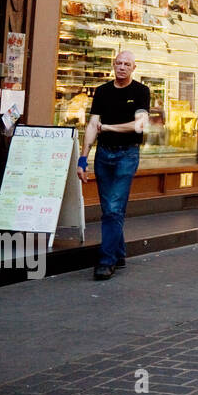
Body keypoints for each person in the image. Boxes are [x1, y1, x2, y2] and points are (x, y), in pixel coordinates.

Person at [78, 51, 151, 280]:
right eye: (118, 63)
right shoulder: (102, 91)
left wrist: (108, 128)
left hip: (127, 155)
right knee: (110, 208)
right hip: (103, 155)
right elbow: (92, 124)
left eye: (127, 64)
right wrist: (83, 159)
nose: (122, 67)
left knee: (113, 208)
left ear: (134, 68)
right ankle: (118, 253)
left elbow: (139, 126)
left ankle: (106, 260)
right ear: (113, 65)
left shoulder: (141, 91)